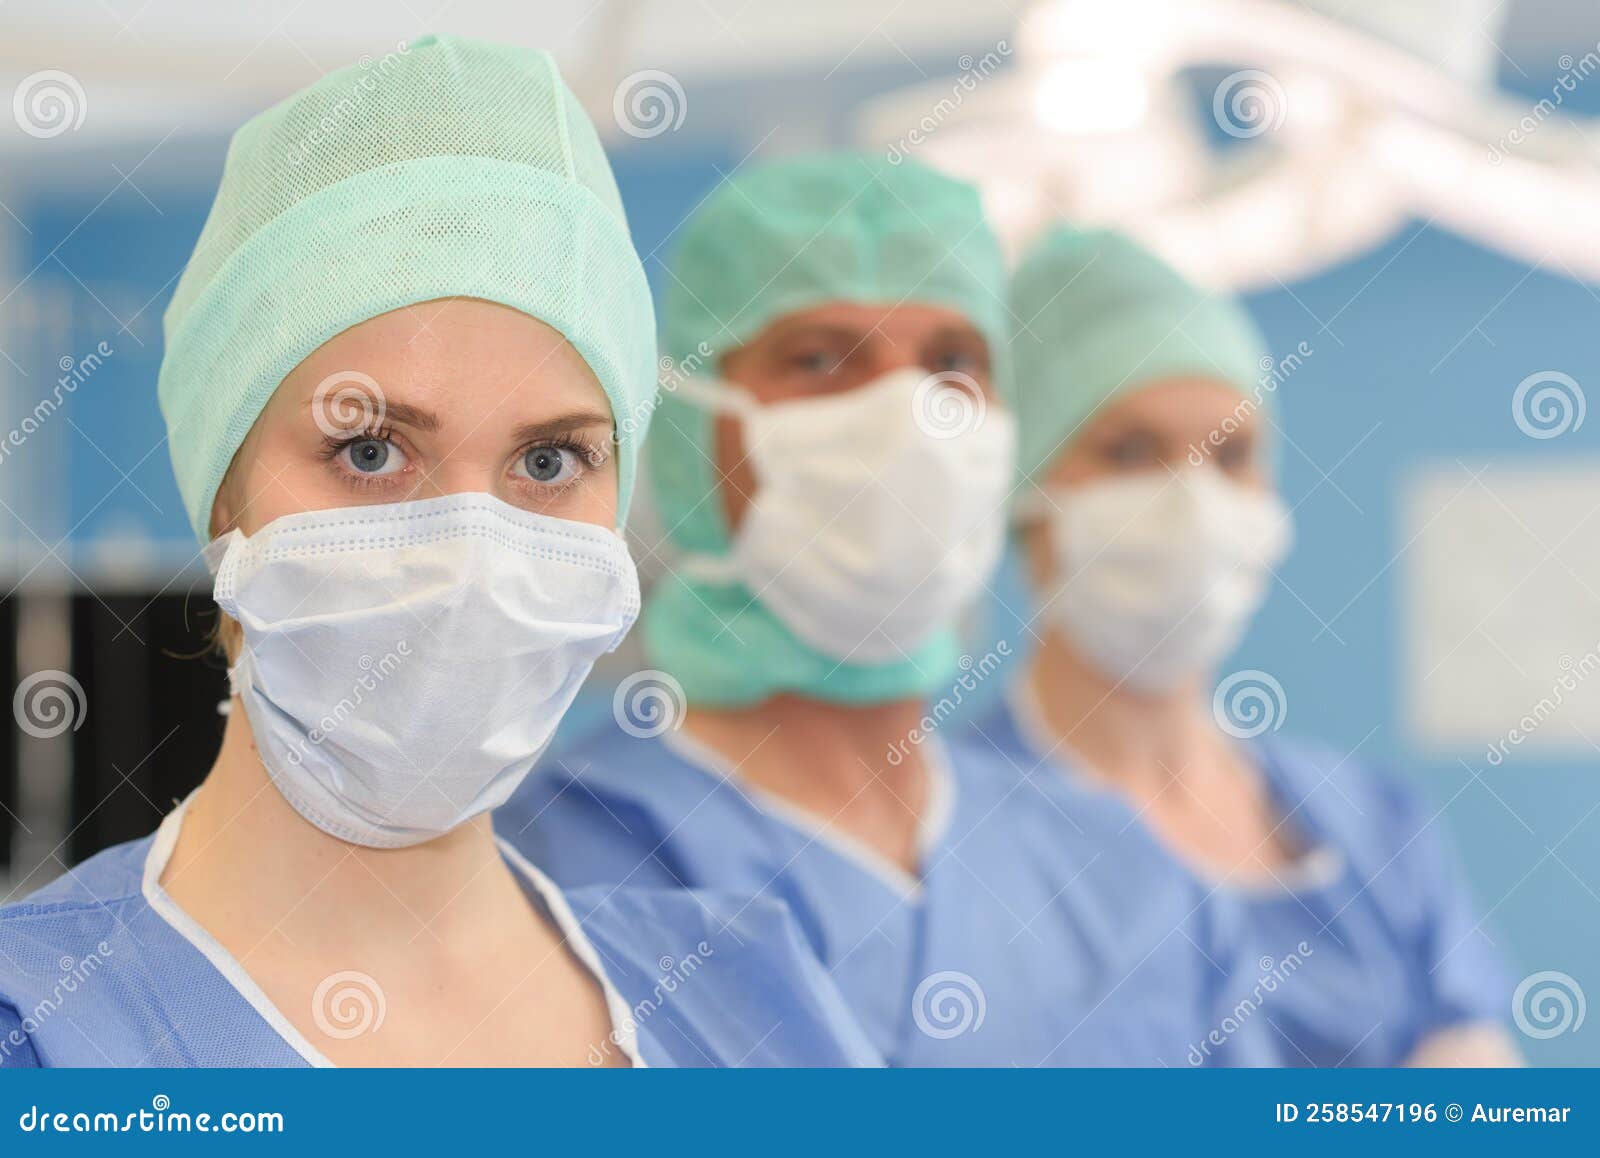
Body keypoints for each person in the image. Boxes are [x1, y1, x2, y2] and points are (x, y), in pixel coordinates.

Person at [0, 36, 877, 1069]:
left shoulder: (748, 989)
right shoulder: (44, 1032)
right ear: (224, 498)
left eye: (549, 460)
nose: (473, 554)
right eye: (370, 449)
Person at [498, 155, 1262, 1067]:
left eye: (953, 362)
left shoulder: (1129, 879)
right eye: (820, 359)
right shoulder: (553, 863)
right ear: (694, 432)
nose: (912, 413)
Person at [971, 224, 1518, 1067]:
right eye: (1130, 451)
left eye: (1231, 454)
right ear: (1025, 492)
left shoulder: (1369, 824)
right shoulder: (954, 836)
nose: (1194, 502)